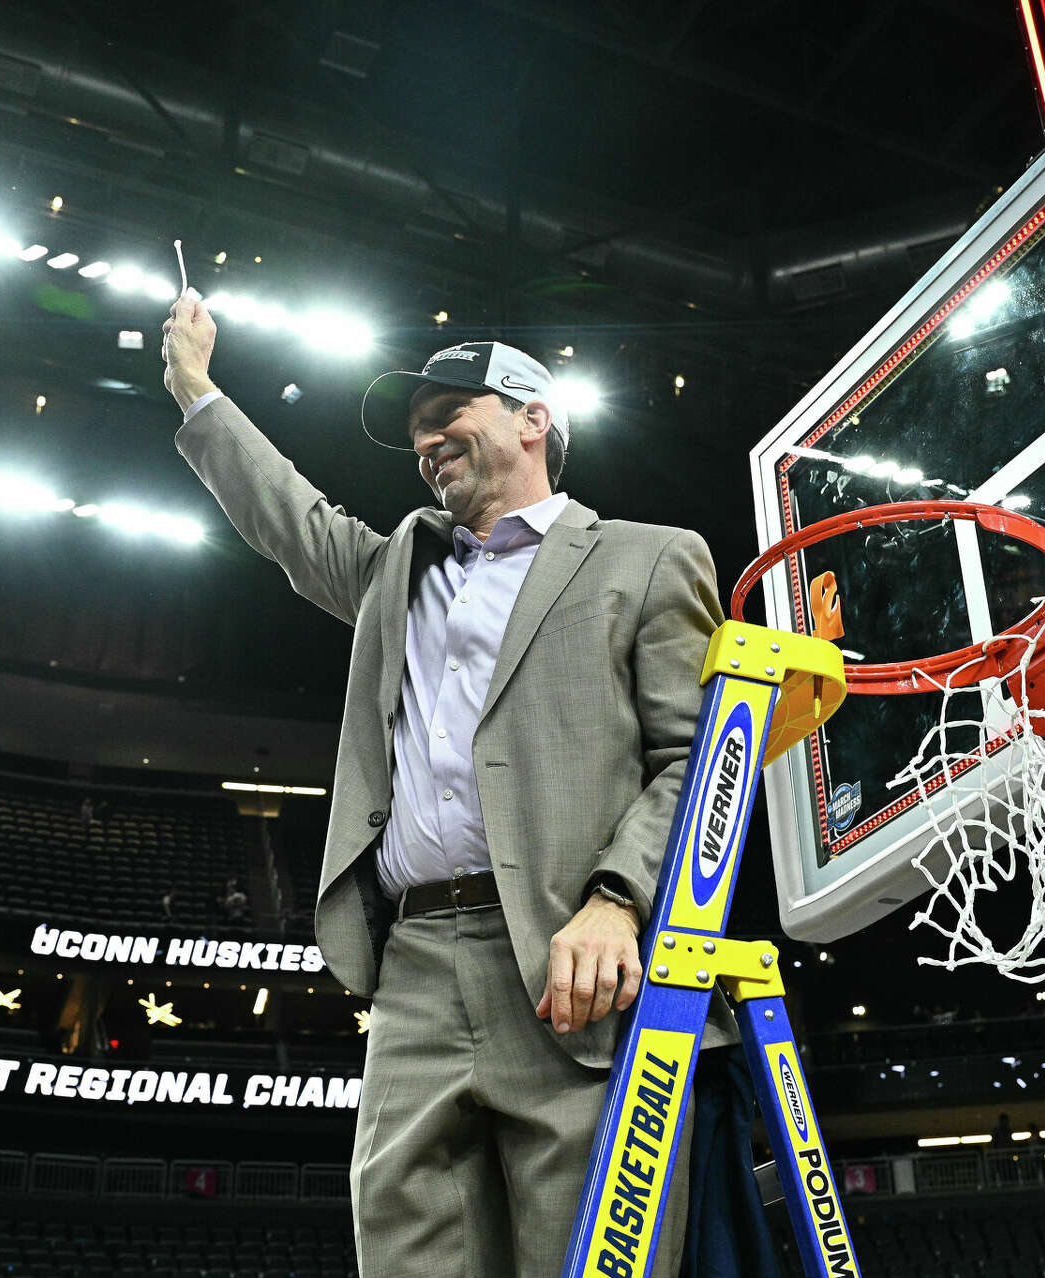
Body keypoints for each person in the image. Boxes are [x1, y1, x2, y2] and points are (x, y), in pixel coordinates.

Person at [164, 295, 724, 1277]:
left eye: (449, 413)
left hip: (570, 968)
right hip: (413, 966)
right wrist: (198, 391)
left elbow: (698, 764)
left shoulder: (649, 559)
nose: (427, 441)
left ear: (532, 419)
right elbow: (288, 519)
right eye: (416, 430)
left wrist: (619, 901)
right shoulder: (397, 572)